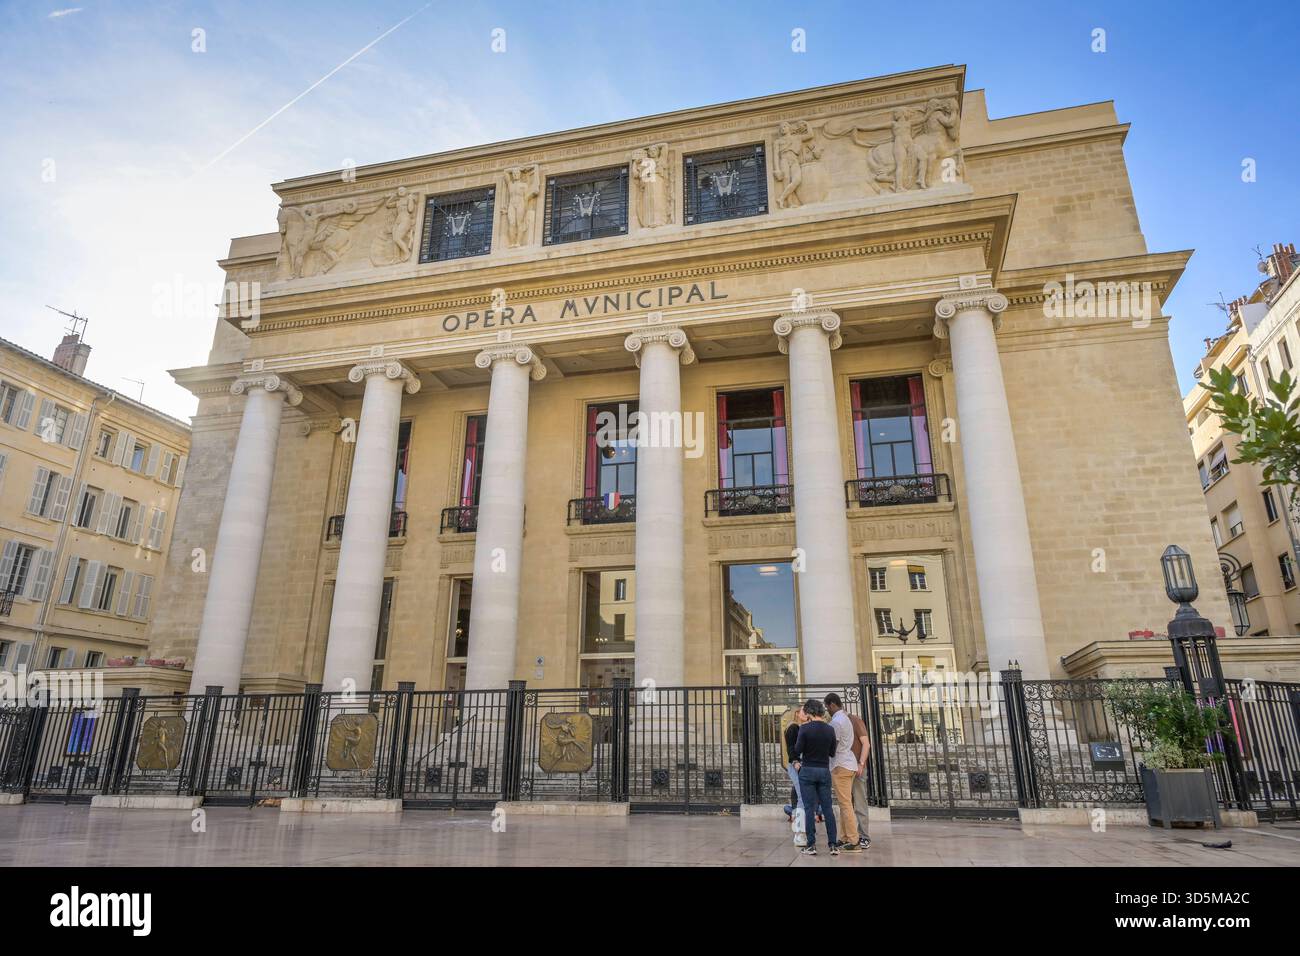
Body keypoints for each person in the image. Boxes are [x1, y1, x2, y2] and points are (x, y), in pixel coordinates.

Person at [791, 698, 838, 856]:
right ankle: (833, 845)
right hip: (824, 770)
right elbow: (832, 752)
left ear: (810, 712)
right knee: (827, 808)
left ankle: (811, 845)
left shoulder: (804, 729)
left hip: (808, 770)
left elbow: (797, 749)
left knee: (809, 808)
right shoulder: (830, 729)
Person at [824, 693, 862, 853]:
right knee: (844, 803)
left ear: (832, 705)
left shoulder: (836, 722)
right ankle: (845, 837)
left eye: (827, 707)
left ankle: (854, 840)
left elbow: (834, 746)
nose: (826, 710)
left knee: (845, 804)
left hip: (841, 765)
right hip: (849, 763)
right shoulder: (845, 718)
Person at [782, 705, 807, 823]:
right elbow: (791, 747)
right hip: (795, 764)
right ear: (796, 713)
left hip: (798, 763)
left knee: (802, 793)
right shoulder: (793, 727)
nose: (806, 714)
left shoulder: (799, 727)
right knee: (801, 793)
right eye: (803, 711)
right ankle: (799, 823)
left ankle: (799, 818)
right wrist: (795, 761)